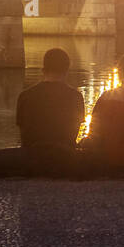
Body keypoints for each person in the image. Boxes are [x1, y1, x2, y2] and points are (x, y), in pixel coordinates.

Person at [10, 47, 86, 176]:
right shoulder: (76, 97)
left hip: (33, 158)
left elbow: (23, 134)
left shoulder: (25, 95)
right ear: (67, 70)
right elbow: (73, 133)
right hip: (65, 159)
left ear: (43, 69)